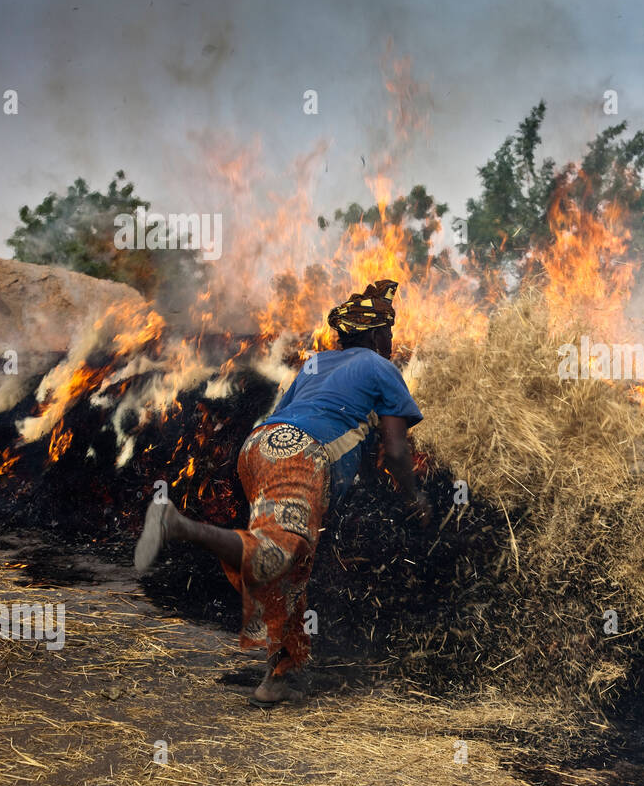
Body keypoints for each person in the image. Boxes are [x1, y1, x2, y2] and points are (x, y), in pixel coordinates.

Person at [133, 278, 431, 705]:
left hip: (258, 446)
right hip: (298, 454)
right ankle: (177, 526)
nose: (392, 339)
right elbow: (397, 450)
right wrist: (414, 497)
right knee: (276, 550)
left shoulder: (315, 363)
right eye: (388, 331)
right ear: (375, 334)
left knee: (291, 571)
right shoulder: (382, 366)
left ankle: (277, 680)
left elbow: (296, 414)